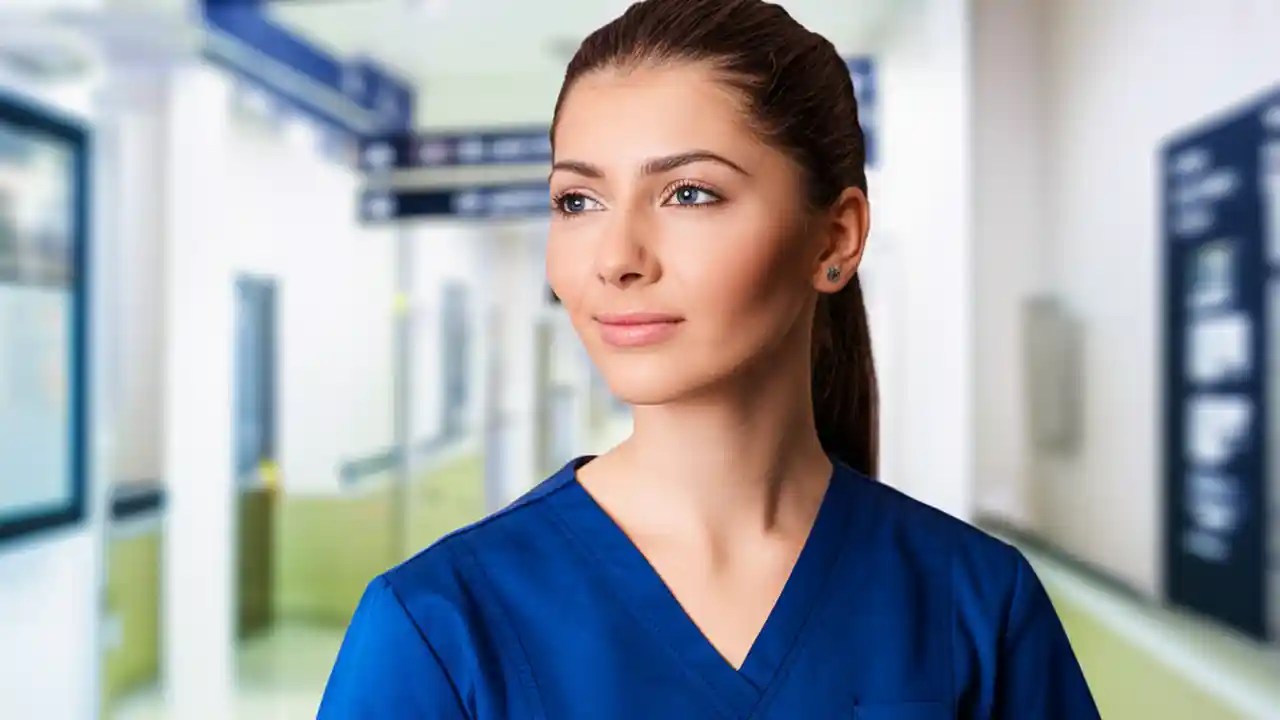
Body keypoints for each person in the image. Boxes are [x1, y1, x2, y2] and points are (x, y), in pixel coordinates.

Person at [318, 0, 1101, 716]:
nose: (616, 258)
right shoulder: (439, 628)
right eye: (577, 202)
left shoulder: (977, 612)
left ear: (835, 238)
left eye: (688, 193)